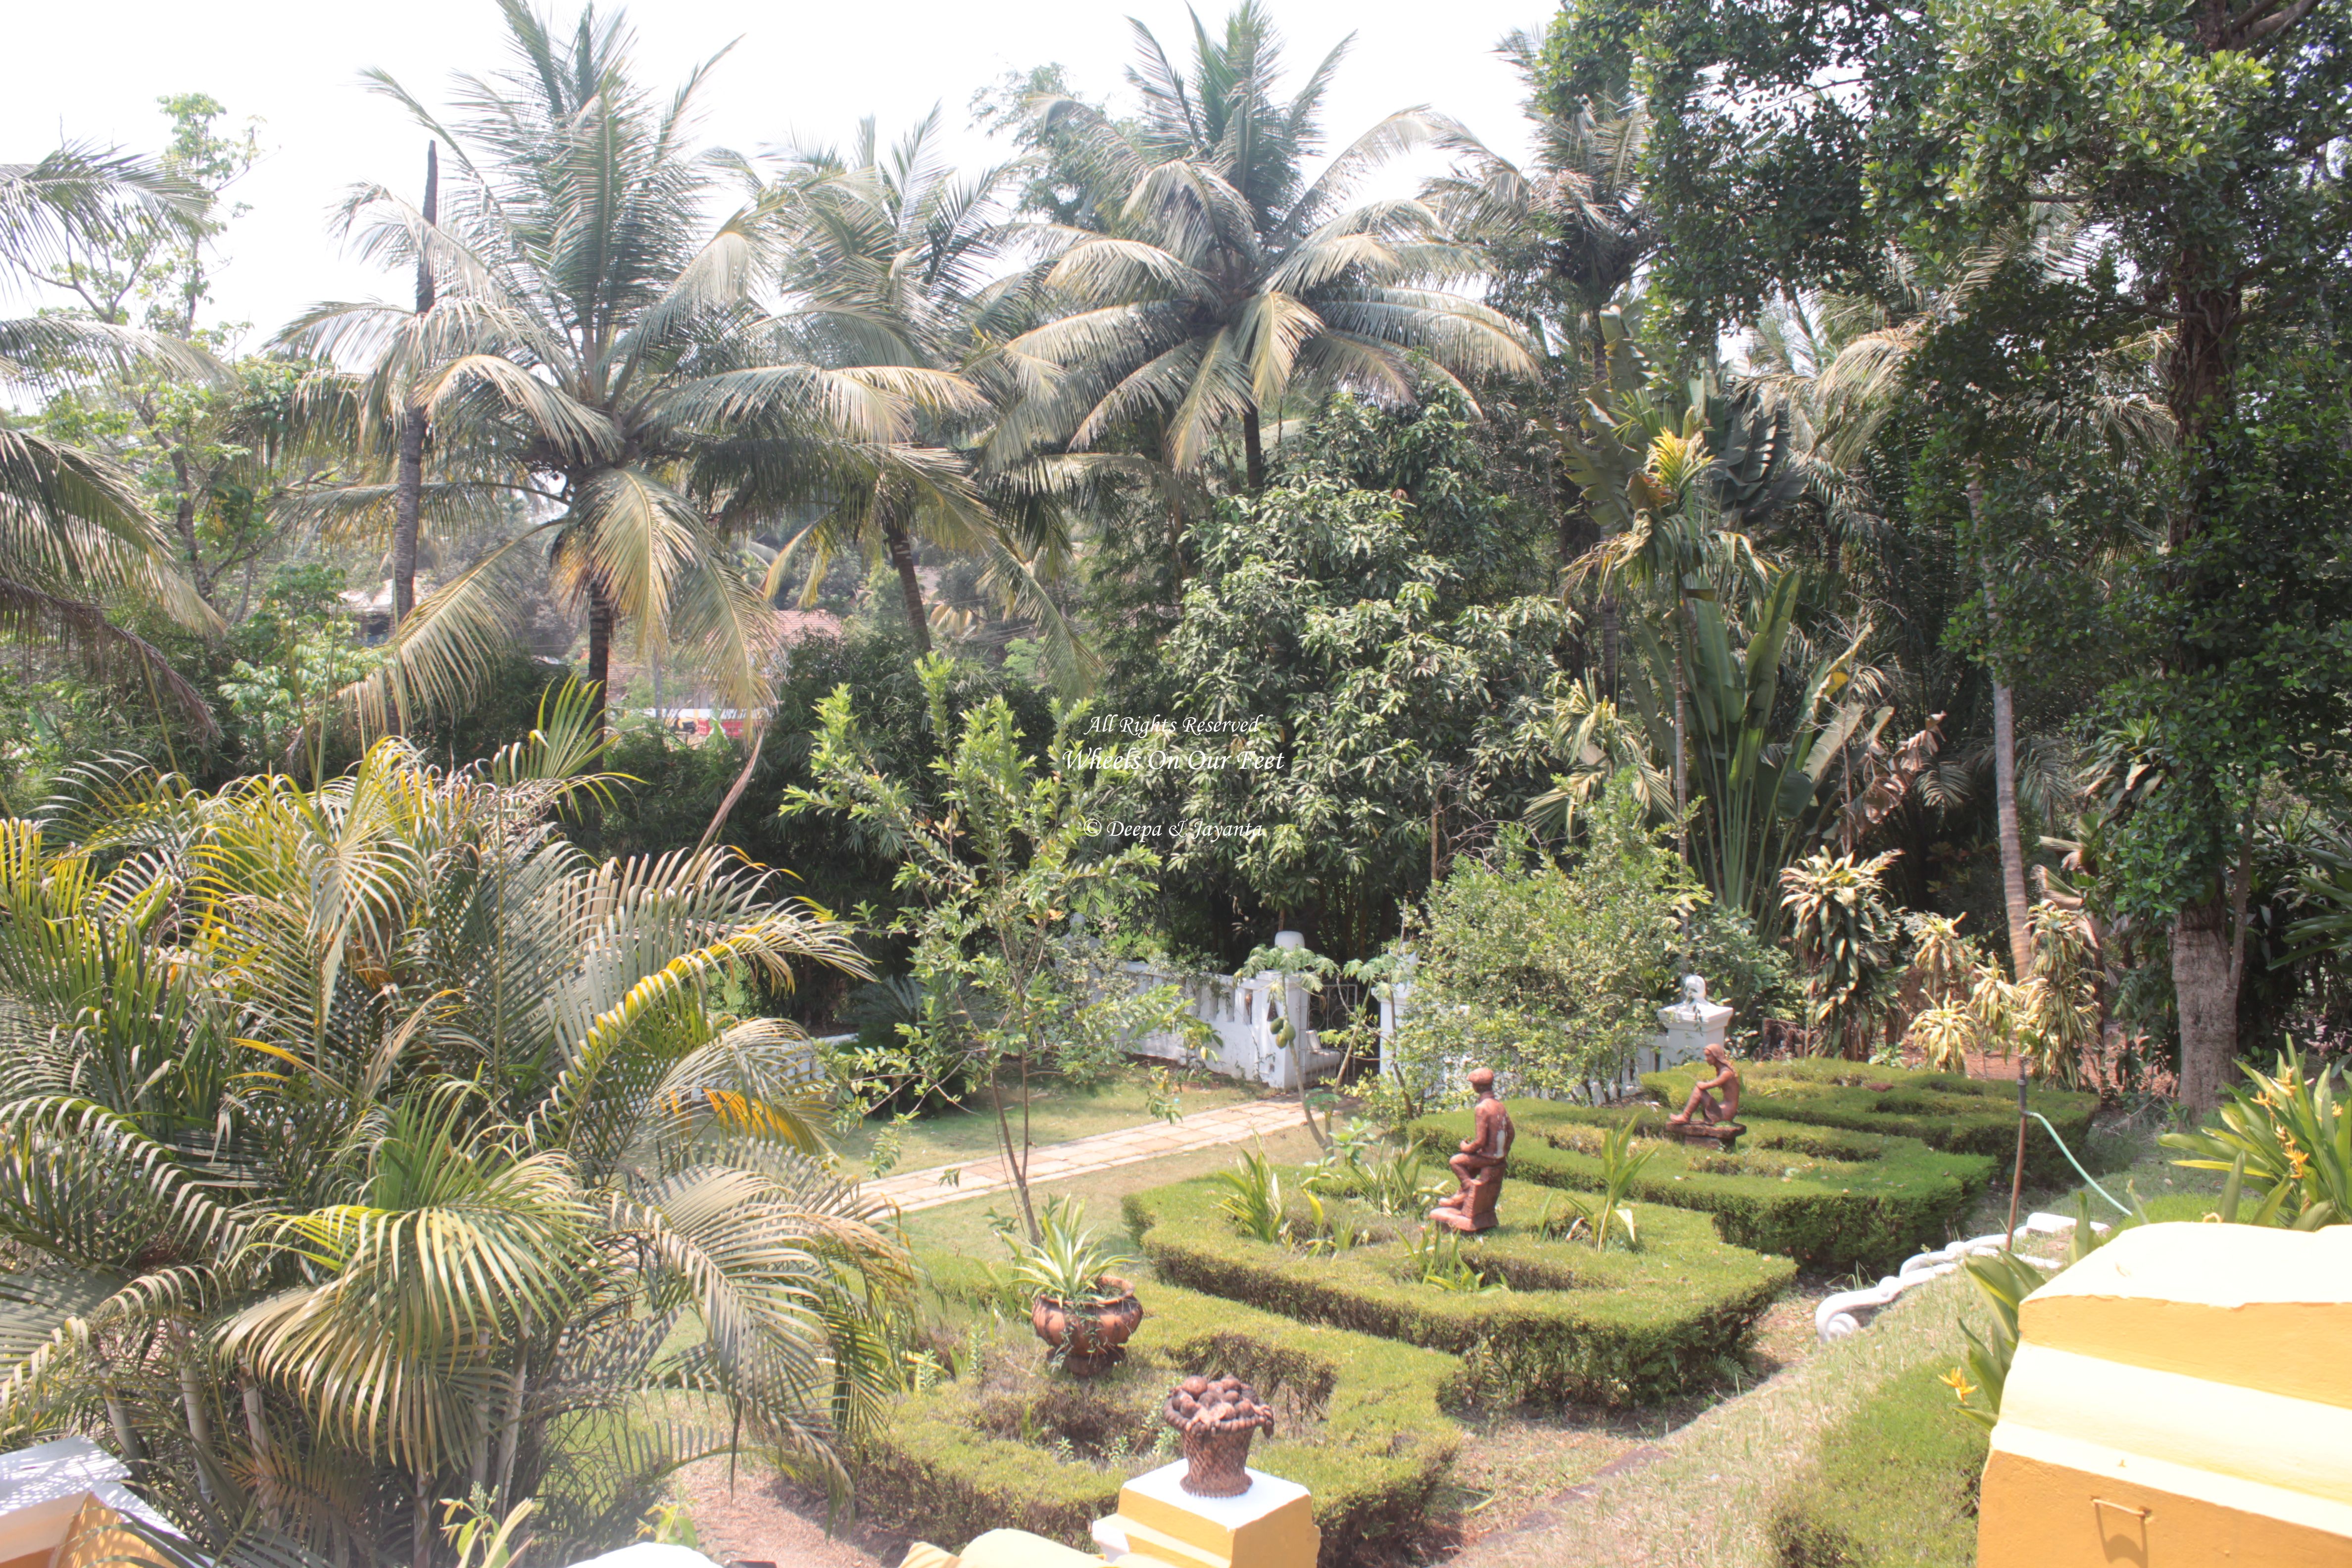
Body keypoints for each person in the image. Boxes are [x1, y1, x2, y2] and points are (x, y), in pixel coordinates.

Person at [1433, 1067, 1514, 1228]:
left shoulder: (1482, 1108)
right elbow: (1511, 1132)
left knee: (1456, 1161)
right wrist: (1504, 1151)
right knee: (1471, 1167)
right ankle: (1459, 1198)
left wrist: (1466, 1147)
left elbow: (1480, 1141)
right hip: (1498, 1157)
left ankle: (1467, 1191)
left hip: (1488, 1158)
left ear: (1476, 1088)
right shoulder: (1499, 1105)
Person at [1668, 1042, 1742, 1128]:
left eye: (1708, 1056)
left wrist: (1699, 1083)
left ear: (1716, 1056)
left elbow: (1708, 1085)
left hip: (1726, 1115)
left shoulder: (1726, 1073)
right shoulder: (1723, 1070)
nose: (1706, 1059)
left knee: (1699, 1090)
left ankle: (1686, 1117)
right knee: (1700, 1090)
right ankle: (1685, 1116)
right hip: (1724, 1111)